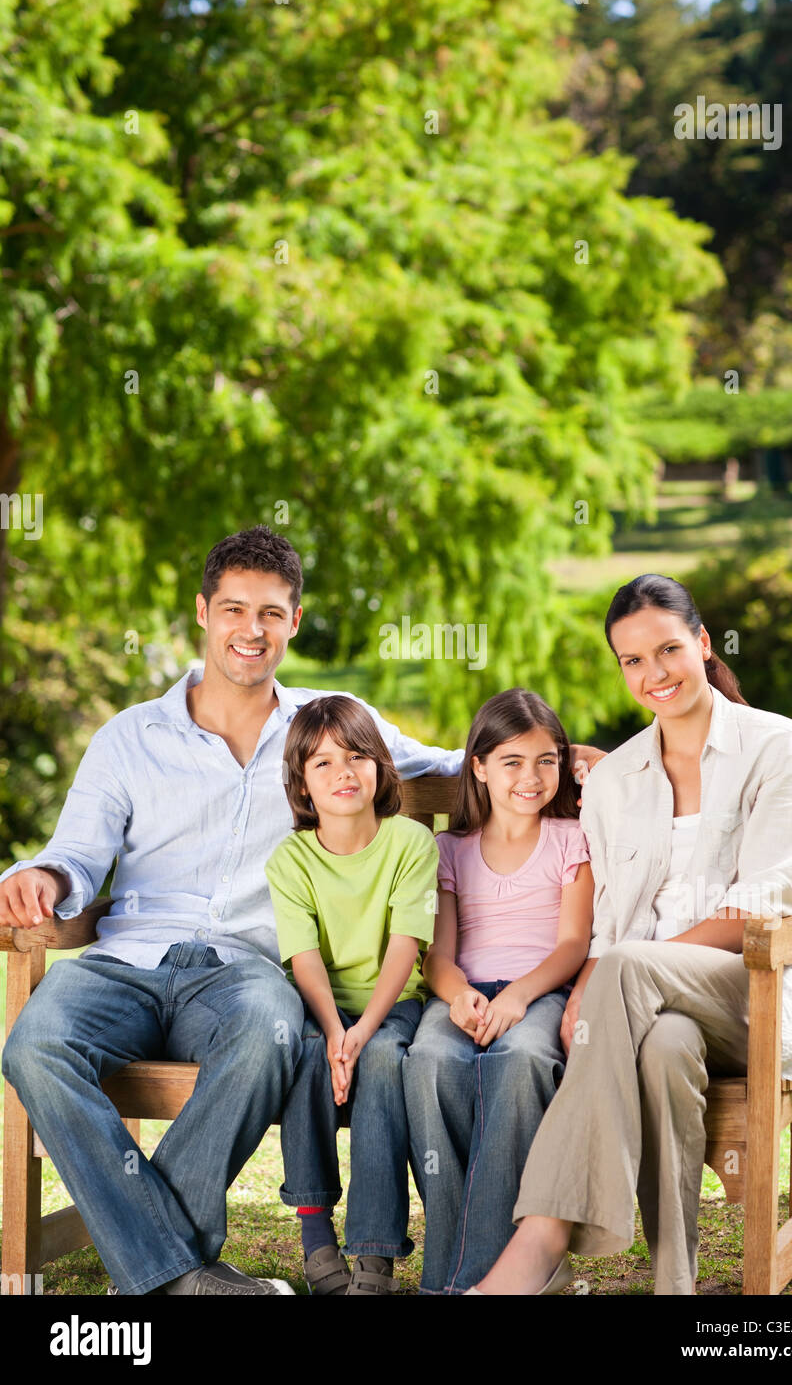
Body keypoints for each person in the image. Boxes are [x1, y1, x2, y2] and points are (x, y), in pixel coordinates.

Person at [0, 525, 465, 1296]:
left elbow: (450, 766)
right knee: (33, 1046)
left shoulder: (331, 724)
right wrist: (42, 876)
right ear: (203, 613)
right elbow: (72, 854)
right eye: (235, 610)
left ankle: (152, 1270)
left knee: (273, 1033)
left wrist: (562, 753)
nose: (252, 630)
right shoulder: (131, 738)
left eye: (271, 613)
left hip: (247, 973)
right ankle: (182, 1278)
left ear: (294, 619)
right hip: (127, 959)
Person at [472, 573, 792, 1297]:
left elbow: (764, 902)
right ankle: (676, 1286)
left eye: (668, 650)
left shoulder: (776, 746)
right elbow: (610, 922)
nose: (654, 674)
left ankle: (542, 1236)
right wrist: (590, 990)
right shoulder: (617, 779)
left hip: (755, 992)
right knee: (666, 1046)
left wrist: (616, 977)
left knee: (634, 973)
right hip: (650, 1011)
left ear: (702, 643)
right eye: (632, 661)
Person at [403, 689, 593, 1294]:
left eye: (546, 760)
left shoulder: (571, 839)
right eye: (511, 762)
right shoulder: (450, 850)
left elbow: (571, 946)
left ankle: (460, 1284)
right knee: (430, 1060)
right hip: (463, 992)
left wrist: (518, 997)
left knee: (522, 1059)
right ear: (477, 768)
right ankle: (502, 1275)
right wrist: (458, 994)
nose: (531, 777)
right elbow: (437, 955)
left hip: (541, 990)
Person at [265, 694, 439, 1296]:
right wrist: (336, 1033)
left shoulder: (411, 843)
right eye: (322, 763)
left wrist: (363, 1030)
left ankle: (373, 1257)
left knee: (388, 1060)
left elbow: (405, 947)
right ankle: (316, 1240)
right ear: (302, 786)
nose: (343, 772)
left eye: (357, 755)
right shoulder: (291, 859)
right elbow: (303, 958)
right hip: (321, 1006)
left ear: (381, 767)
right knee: (308, 1055)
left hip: (393, 1004)